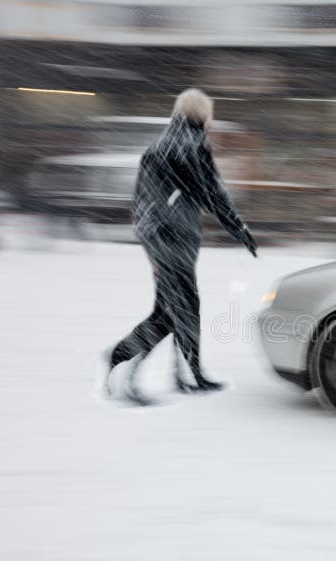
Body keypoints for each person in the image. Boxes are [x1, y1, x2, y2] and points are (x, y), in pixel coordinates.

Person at [101, 88, 257, 404]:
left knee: (181, 307)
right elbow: (213, 193)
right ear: (202, 115)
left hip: (159, 236)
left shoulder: (158, 146)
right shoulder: (192, 145)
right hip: (174, 236)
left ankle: (187, 374)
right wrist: (239, 229)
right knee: (175, 312)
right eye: (210, 114)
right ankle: (122, 366)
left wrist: (150, 234)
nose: (212, 121)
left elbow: (140, 199)